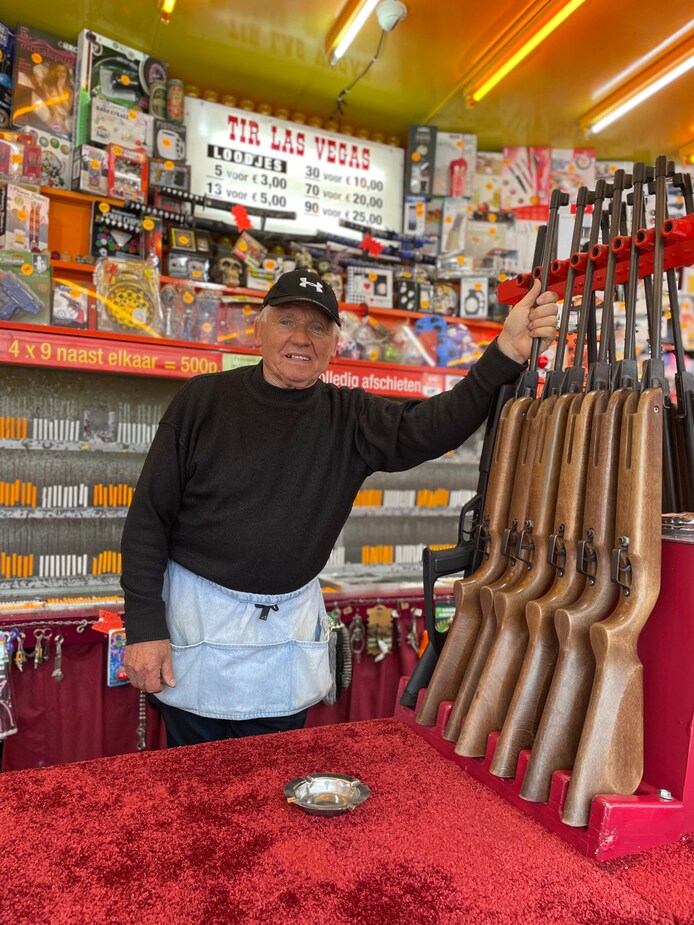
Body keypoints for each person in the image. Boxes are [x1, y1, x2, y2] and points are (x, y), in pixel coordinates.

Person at [121, 268, 558, 747]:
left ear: (335, 344)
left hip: (284, 640)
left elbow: (435, 425)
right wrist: (144, 627)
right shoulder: (202, 401)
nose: (301, 339)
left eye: (317, 328)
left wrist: (506, 354)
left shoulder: (349, 417)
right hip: (195, 629)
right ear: (258, 330)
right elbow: (148, 522)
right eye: (286, 322)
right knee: (193, 788)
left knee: (277, 783)